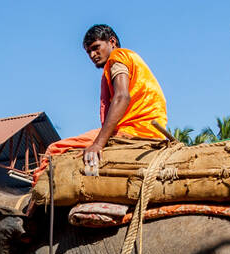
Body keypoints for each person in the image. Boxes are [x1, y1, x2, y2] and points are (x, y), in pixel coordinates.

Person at [35, 24, 169, 180]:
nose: (92, 55)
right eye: (88, 52)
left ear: (112, 42)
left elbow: (122, 97)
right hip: (153, 131)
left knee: (54, 149)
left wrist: (98, 144)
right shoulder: (134, 60)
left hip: (133, 129)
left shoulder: (118, 57)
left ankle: (36, 202)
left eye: (96, 47)